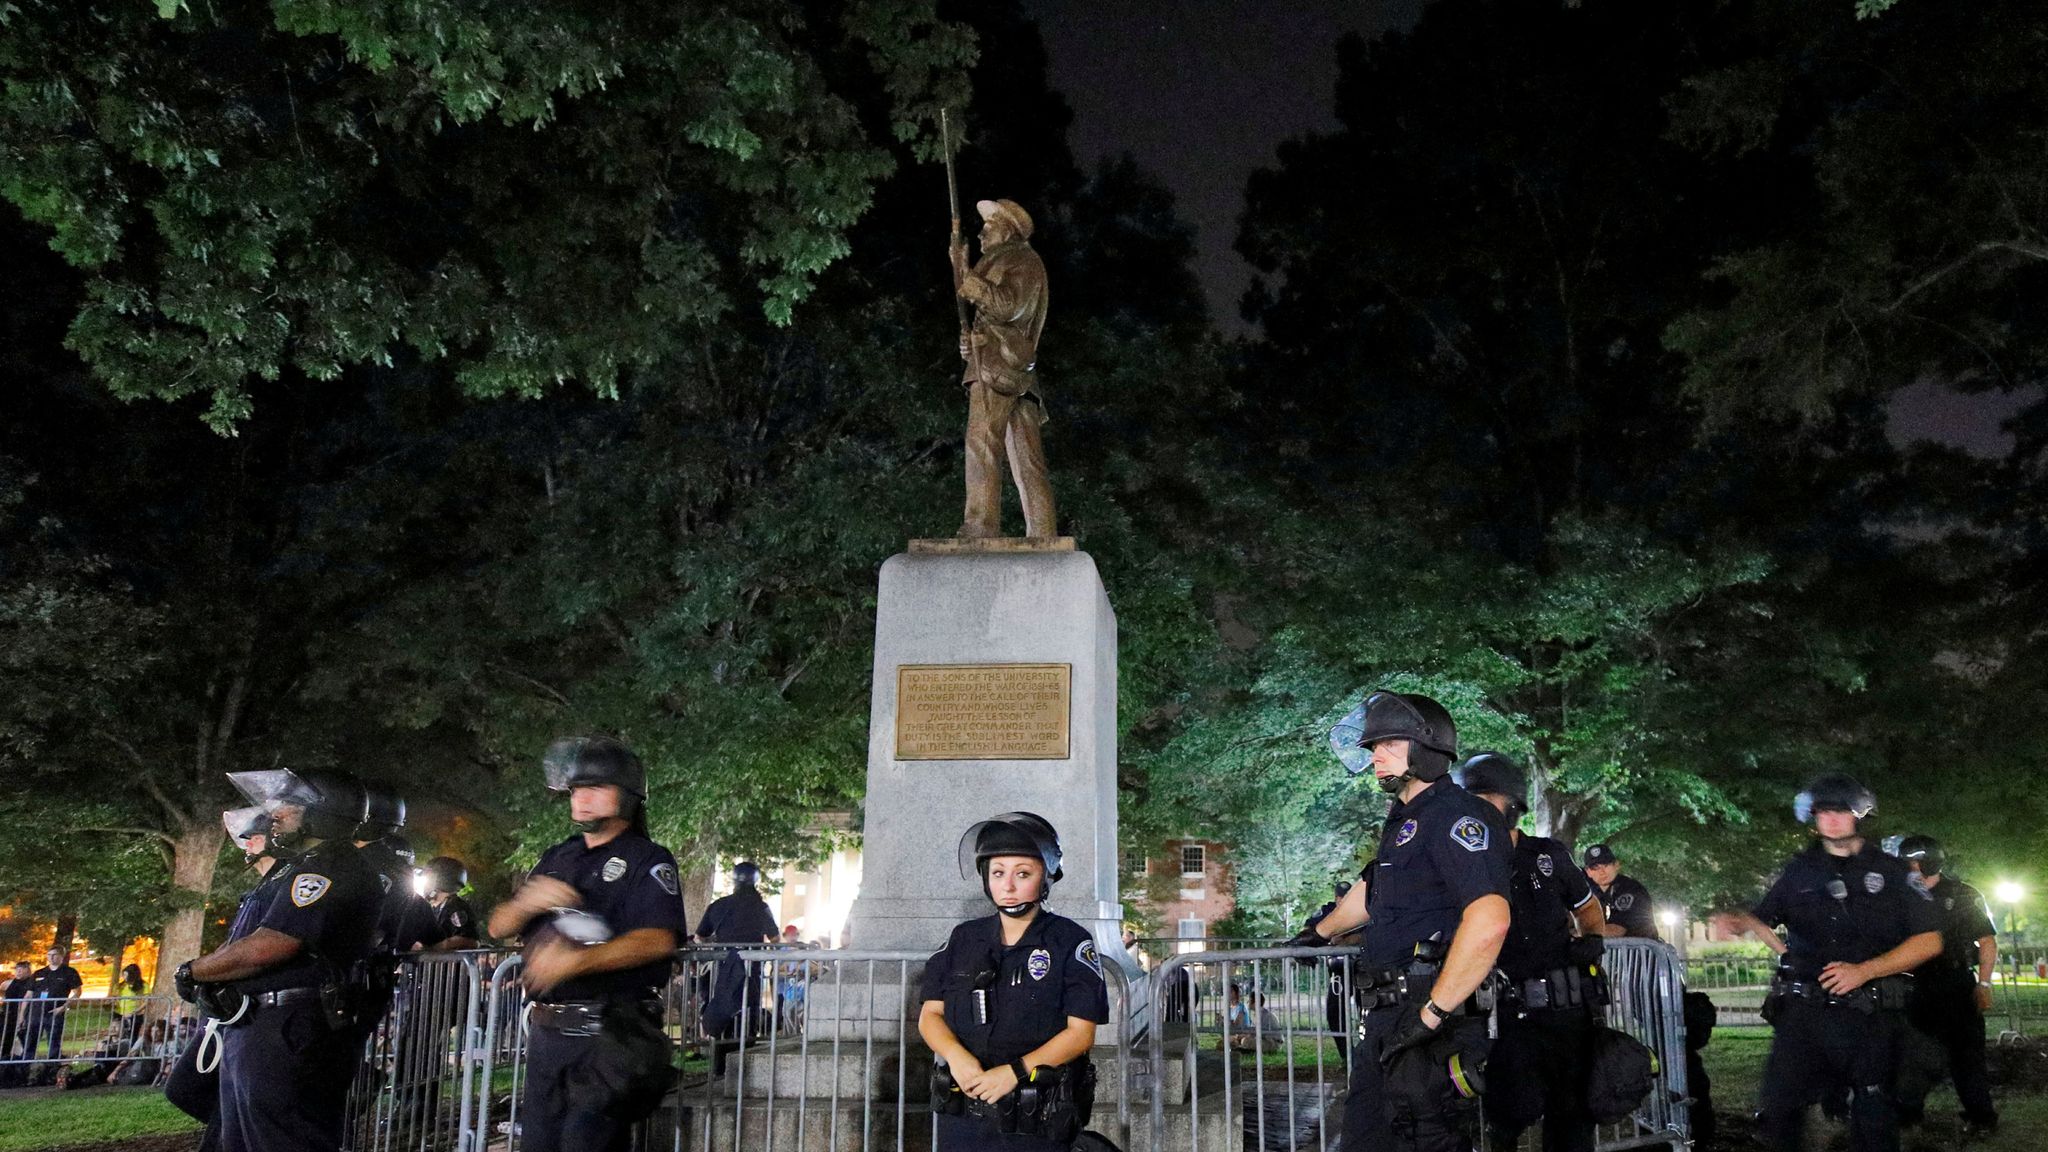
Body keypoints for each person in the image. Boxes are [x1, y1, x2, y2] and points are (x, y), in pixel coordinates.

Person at [1294, 690, 1512, 1152]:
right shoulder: (1407, 818)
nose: (1375, 754)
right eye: (1374, 745)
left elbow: (1490, 919)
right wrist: (1319, 933)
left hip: (1431, 1023)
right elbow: (1375, 889)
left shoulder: (1457, 815)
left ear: (1426, 747)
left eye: (1389, 744)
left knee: (1421, 1139)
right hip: (1393, 1019)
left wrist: (1431, 1014)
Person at [487, 736, 687, 1152]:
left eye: (596, 788)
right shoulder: (559, 856)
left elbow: (657, 939)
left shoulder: (647, 859)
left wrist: (574, 963)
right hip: (548, 1035)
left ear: (627, 796)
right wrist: (527, 903)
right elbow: (497, 927)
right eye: (577, 789)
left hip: (608, 1037)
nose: (582, 799)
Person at [176, 770, 385, 1152]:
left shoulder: (328, 866)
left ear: (323, 813)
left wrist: (193, 971)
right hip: (263, 1024)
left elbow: (272, 944)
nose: (276, 812)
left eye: (291, 804)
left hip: (289, 1029)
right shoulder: (301, 864)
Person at [1731, 772, 1941, 1152]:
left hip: (1867, 1015)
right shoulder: (1798, 871)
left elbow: (1929, 940)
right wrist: (1738, 922)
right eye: (1823, 811)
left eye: (1840, 811)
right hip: (1804, 1014)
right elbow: (1760, 917)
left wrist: (1865, 971)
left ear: (1859, 815)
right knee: (1778, 1110)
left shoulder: (1893, 873)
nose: (1830, 819)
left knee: (1874, 1116)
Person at [919, 812, 1108, 1151]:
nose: (1007, 886)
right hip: (962, 1118)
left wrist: (1013, 1072)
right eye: (998, 873)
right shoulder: (964, 938)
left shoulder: (1069, 941)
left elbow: (1081, 1033)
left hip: (1035, 1121)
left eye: (1023, 874)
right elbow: (930, 1015)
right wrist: (956, 1056)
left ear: (1045, 878)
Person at [1458, 752, 1608, 1152]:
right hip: (1504, 1015)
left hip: (1564, 1011)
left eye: (1484, 801)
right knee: (1505, 1117)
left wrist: (1593, 939)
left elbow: (1588, 907)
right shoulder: (1465, 863)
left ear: (1512, 805)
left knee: (1571, 1117)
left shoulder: (1548, 855)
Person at [164, 805, 282, 1150]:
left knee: (206, 1095)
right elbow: (236, 945)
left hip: (251, 1014)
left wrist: (197, 971)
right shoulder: (262, 889)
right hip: (231, 1014)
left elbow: (258, 950)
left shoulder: (280, 887)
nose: (247, 844)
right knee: (193, 1091)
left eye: (254, 837)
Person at [949, 196, 1055, 539]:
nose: (981, 234)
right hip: (1010, 369)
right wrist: (970, 344)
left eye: (989, 227)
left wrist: (966, 274)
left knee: (982, 441)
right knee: (1027, 458)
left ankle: (980, 525)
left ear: (1008, 231)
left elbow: (1008, 306)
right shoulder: (1012, 259)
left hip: (1000, 370)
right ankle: (1043, 533)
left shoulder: (1022, 259)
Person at [1892, 835, 1998, 1136]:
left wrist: (1985, 983)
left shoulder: (1961, 894)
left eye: (1916, 861)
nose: (1912, 867)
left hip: (1955, 984)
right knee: (1911, 1054)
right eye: (1906, 862)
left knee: (1967, 1054)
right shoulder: (1897, 897)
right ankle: (1908, 1115)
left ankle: (1981, 1117)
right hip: (1912, 985)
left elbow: (1987, 942)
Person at [696, 860, 780, 1044]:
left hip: (722, 971)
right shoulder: (761, 907)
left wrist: (716, 942)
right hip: (750, 971)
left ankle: (718, 1052)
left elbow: (700, 936)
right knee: (748, 1013)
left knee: (722, 1010)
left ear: (734, 880)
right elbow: (775, 938)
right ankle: (745, 1049)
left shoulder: (719, 905)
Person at [20, 946, 84, 1067]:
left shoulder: (69, 972)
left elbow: (77, 993)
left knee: (54, 1042)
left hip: (54, 1012)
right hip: (35, 1013)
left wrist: (63, 1007)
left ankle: (52, 1068)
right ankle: (24, 1068)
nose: (51, 958)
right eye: (49, 955)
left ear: (61, 956)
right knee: (30, 1042)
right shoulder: (39, 973)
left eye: (54, 955)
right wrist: (22, 1015)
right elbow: (28, 995)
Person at [1582, 845, 1659, 940]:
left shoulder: (1630, 888)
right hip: (1611, 948)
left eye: (1606, 865)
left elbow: (1616, 930)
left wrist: (1578, 934)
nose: (1602, 872)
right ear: (1588, 872)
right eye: (1595, 868)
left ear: (1616, 865)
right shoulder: (1589, 891)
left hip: (1641, 948)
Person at [418, 856, 480, 951]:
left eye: (429, 878)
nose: (426, 884)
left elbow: (469, 940)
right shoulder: (432, 907)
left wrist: (433, 949)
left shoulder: (455, 906)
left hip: (447, 961)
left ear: (442, 880)